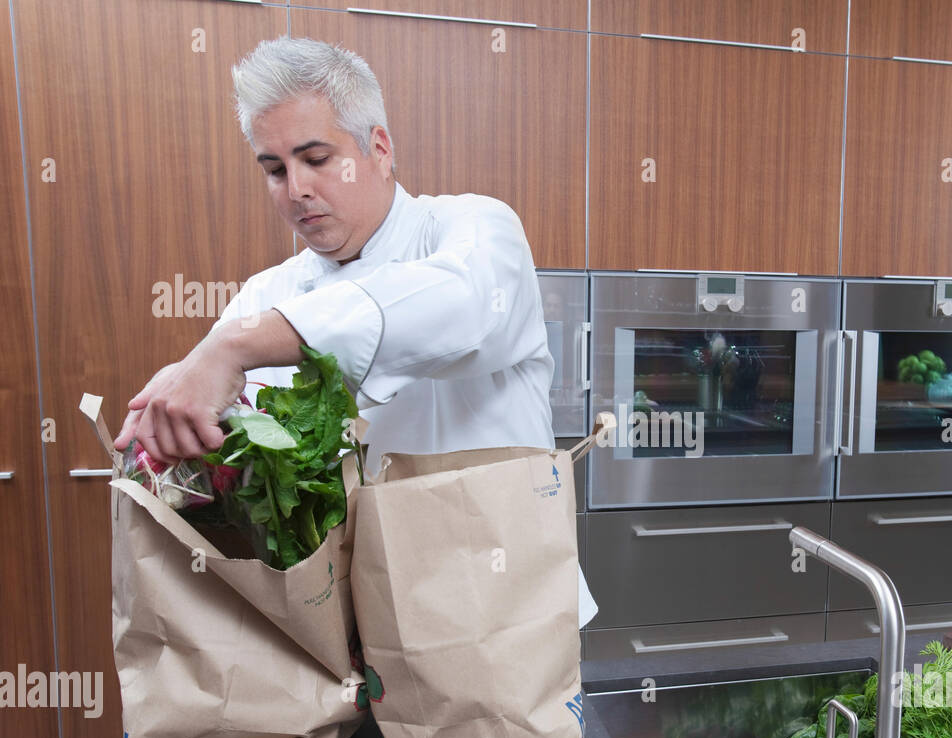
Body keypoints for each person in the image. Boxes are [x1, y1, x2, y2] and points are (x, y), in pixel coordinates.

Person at [113, 35, 597, 626]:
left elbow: (461, 307)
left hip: (496, 619)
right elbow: (228, 449)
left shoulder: (471, 229)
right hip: (338, 635)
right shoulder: (269, 294)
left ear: (379, 147)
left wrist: (229, 348)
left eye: (316, 159)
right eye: (274, 169)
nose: (296, 191)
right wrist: (171, 427)